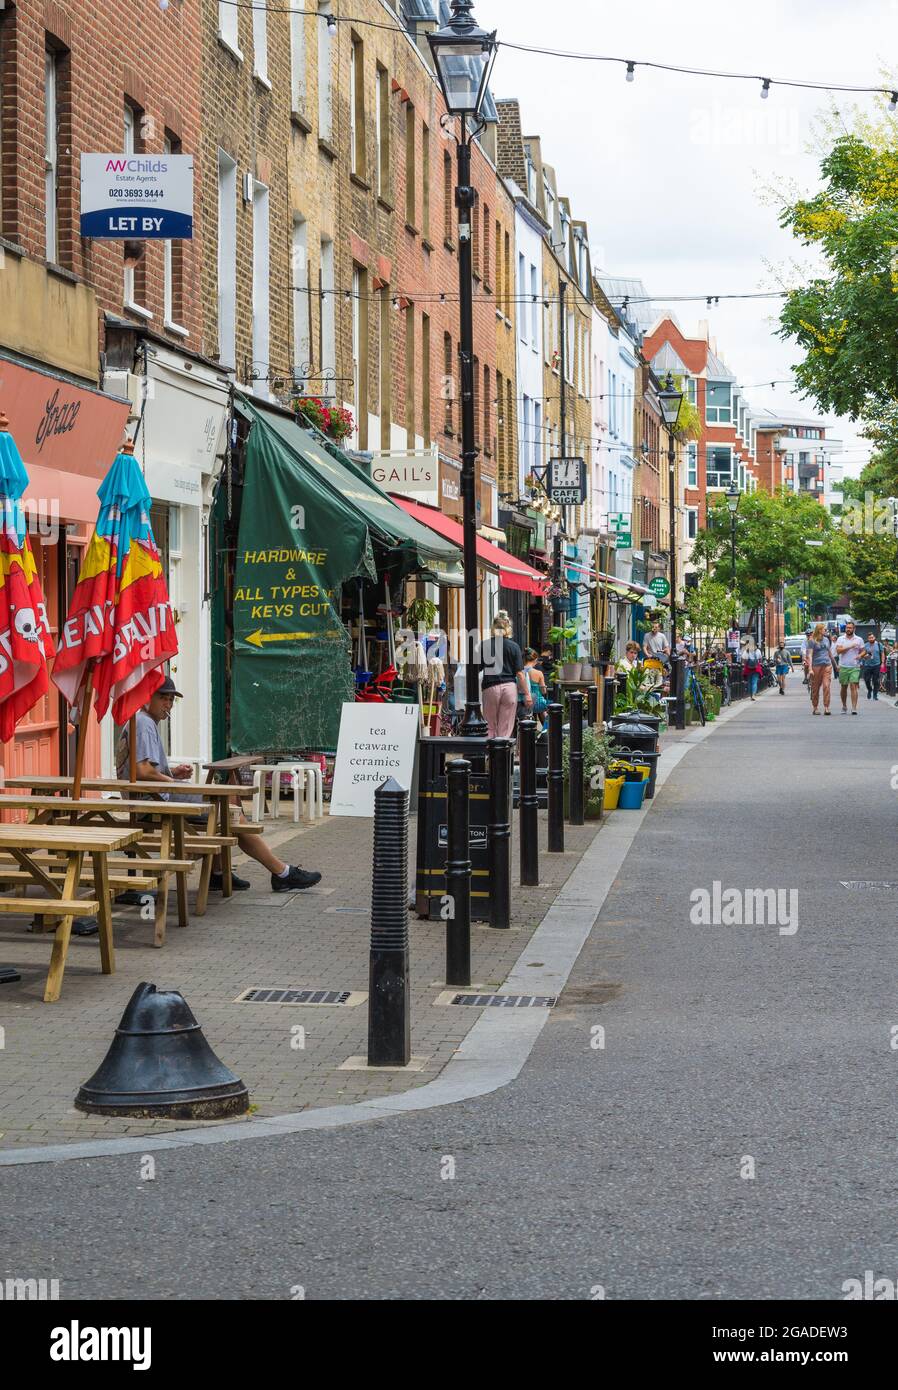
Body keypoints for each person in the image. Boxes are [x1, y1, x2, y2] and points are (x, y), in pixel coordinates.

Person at [116, 676, 322, 892]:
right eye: (163, 698)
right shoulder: (144, 723)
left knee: (229, 808)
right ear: (148, 697)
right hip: (154, 800)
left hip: (151, 797)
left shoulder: (143, 722)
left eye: (170, 700)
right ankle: (281, 872)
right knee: (230, 811)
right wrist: (171, 780)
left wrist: (173, 772)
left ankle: (222, 873)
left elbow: (145, 769)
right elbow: (141, 770)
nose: (168, 704)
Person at [479, 613, 531, 738]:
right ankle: (502, 755)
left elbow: (478, 668)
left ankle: (490, 755)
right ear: (508, 629)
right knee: (506, 725)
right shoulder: (514, 647)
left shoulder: (485, 645)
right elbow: (520, 673)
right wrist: (527, 693)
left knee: (490, 725)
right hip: (509, 687)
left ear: (493, 628)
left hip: (490, 687)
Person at [833, 619, 865, 715]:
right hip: (843, 666)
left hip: (855, 666)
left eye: (850, 628)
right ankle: (844, 706)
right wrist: (850, 646)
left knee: (853, 685)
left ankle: (854, 707)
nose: (848, 629)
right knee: (844, 687)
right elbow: (838, 651)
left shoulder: (859, 639)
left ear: (854, 629)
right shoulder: (840, 639)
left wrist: (860, 655)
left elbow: (863, 651)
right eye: (847, 628)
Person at [803, 623, 833, 715]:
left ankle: (826, 707)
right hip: (816, 666)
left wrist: (836, 666)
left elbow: (829, 653)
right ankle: (815, 707)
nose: (826, 631)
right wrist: (810, 669)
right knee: (815, 688)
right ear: (819, 630)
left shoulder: (827, 640)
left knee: (826, 686)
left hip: (827, 665)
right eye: (824, 629)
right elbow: (810, 655)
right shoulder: (812, 641)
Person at [520, 647, 549, 727]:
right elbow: (543, 691)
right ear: (535, 659)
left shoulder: (520, 672)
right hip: (537, 703)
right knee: (544, 707)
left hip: (522, 702)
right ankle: (547, 731)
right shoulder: (538, 673)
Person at [860, 631, 883, 701]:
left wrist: (882, 663)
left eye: (872, 637)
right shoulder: (865, 645)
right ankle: (869, 690)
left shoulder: (879, 644)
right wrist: (865, 656)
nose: (871, 639)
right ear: (868, 638)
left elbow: (882, 654)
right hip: (867, 665)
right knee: (866, 680)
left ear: (874, 638)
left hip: (876, 665)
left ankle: (875, 694)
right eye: (870, 638)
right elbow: (862, 655)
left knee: (876, 680)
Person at [741, 635, 763, 701]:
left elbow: (743, 660)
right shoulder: (758, 651)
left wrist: (744, 664)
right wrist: (760, 663)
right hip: (756, 668)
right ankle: (753, 695)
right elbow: (760, 659)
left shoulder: (746, 651)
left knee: (749, 682)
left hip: (748, 668)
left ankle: (751, 695)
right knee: (754, 682)